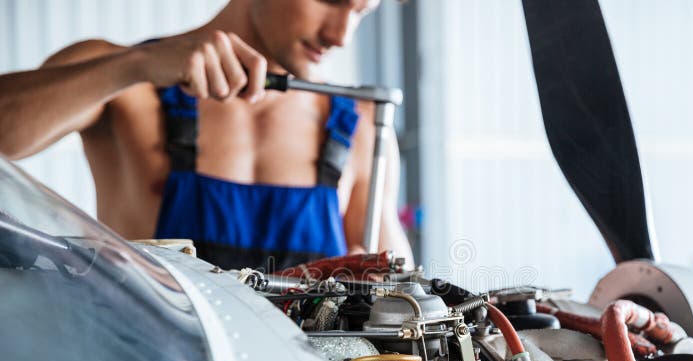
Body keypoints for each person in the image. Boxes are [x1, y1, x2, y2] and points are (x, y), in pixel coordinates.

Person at [0, 0, 413, 271]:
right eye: (332, 0)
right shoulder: (126, 81)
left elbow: (401, 297)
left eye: (361, 11)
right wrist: (134, 65)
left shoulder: (360, 126)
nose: (341, 35)